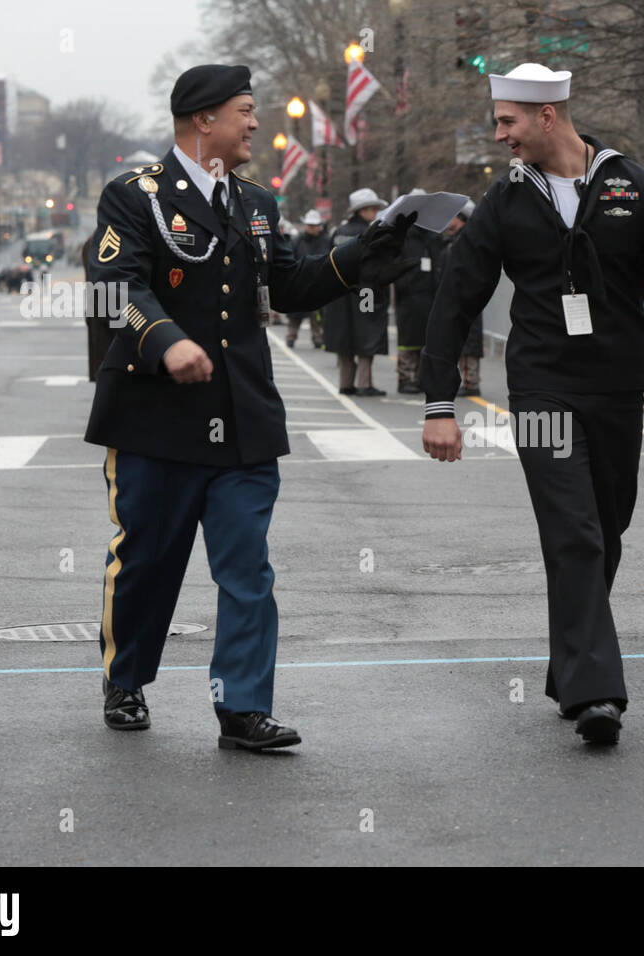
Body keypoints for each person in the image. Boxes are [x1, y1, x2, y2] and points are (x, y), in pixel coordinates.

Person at [84, 63, 415, 750]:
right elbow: (114, 287)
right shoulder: (134, 197)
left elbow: (289, 284)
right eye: (244, 110)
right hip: (156, 416)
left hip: (241, 415)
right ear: (203, 119)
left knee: (247, 569)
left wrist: (360, 255)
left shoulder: (255, 203)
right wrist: (166, 341)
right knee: (146, 560)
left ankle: (242, 708)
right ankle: (126, 680)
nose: (256, 123)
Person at [420, 63, 644, 746]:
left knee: (607, 527)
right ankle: (596, 695)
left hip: (618, 386)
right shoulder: (504, 201)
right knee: (575, 533)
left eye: (508, 121)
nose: (500, 135)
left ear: (547, 116)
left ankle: (572, 663)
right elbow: (456, 298)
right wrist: (440, 400)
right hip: (543, 388)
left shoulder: (634, 186)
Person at [325, 188, 394, 396]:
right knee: (367, 334)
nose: (375, 212)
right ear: (362, 210)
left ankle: (345, 383)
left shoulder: (338, 232)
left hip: (340, 292)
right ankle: (365, 383)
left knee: (344, 337)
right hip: (366, 291)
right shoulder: (371, 232)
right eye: (373, 208)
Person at [393, 188, 442, 394]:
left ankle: (423, 378)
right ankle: (406, 378)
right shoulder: (402, 236)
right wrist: (404, 285)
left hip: (430, 297)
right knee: (408, 340)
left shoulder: (432, 236)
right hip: (409, 297)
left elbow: (438, 264)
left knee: (427, 340)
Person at [437, 201, 484, 396]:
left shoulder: (467, 241)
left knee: (469, 339)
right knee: (459, 338)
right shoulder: (453, 240)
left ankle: (471, 382)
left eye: (453, 217)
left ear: (463, 218)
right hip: (456, 296)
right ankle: (466, 381)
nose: (449, 221)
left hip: (467, 296)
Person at [287, 209, 328, 348]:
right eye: (309, 225)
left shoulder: (325, 240)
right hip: (299, 280)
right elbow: (290, 257)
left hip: (318, 281)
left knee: (316, 314)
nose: (312, 228)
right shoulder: (297, 241)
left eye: (314, 225)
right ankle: (291, 335)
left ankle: (317, 337)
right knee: (295, 314)